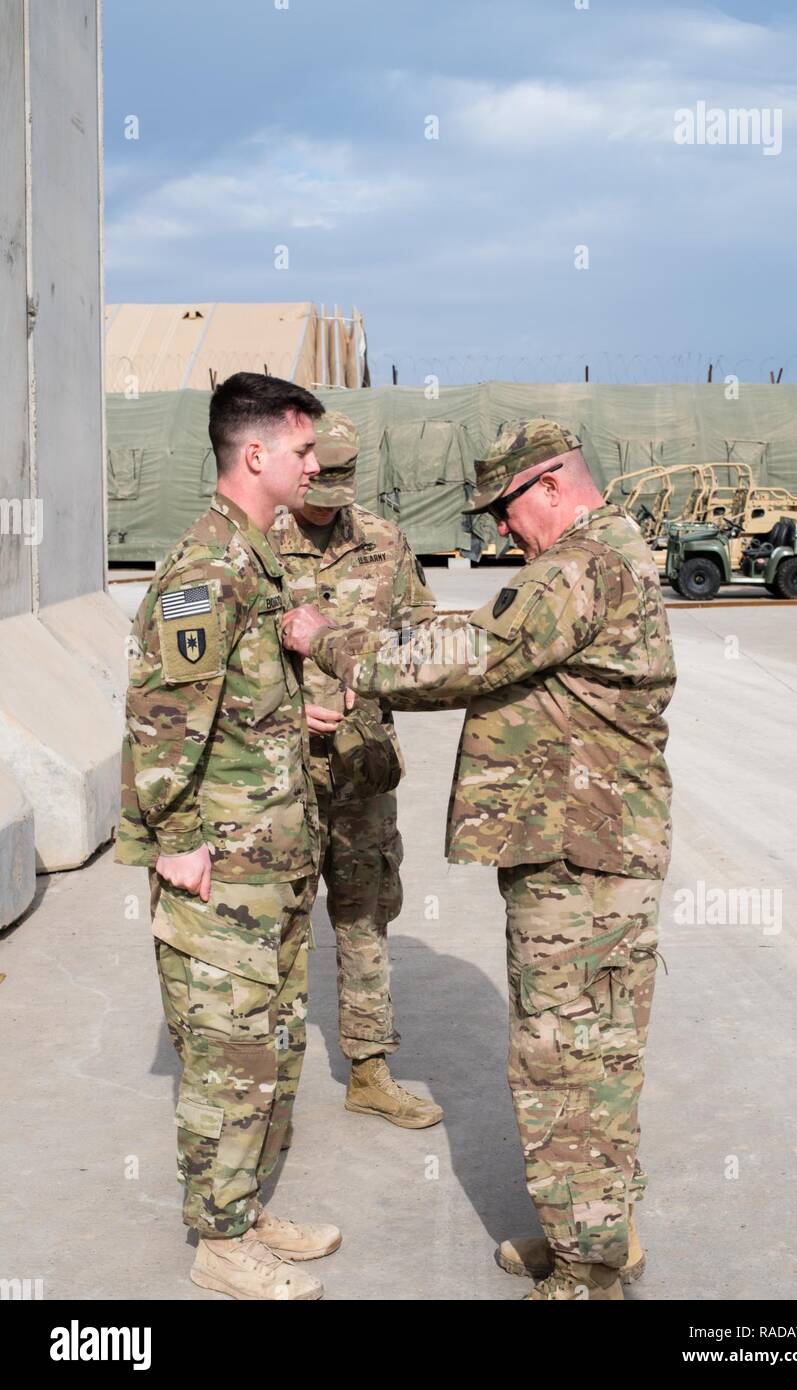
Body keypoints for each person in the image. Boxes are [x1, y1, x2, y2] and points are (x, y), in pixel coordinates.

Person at [281, 419, 677, 1301]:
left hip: (583, 856)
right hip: (576, 848)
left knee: (563, 1059)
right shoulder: (587, 561)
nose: (499, 529)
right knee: (586, 1051)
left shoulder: (581, 567)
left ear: (548, 485)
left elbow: (469, 654)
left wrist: (333, 644)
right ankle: (596, 1237)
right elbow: (490, 654)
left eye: (504, 508)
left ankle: (586, 1275)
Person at [116, 371, 341, 1302]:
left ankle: (246, 1209)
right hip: (224, 866)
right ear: (256, 454)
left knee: (273, 1041)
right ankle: (219, 1240)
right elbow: (164, 713)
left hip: (274, 858)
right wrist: (175, 837)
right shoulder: (206, 569)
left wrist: (302, 670)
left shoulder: (257, 557)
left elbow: (238, 703)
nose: (315, 464)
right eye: (302, 449)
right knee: (227, 1055)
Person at [269, 411, 443, 1128]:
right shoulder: (256, 544)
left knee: (364, 916)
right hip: (277, 770)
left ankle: (369, 1070)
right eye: (316, 487)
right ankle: (264, 1086)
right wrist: (285, 710)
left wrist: (372, 681)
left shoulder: (382, 540)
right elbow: (214, 669)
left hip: (361, 768)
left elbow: (422, 638)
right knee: (274, 923)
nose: (325, 508)